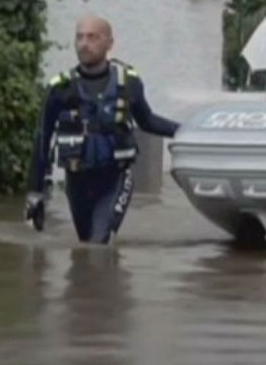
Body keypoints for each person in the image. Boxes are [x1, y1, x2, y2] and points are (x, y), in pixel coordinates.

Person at [25, 15, 180, 244]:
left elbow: (147, 121)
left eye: (92, 37)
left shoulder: (128, 83)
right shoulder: (60, 88)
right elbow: (42, 138)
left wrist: (188, 132)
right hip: (77, 178)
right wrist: (34, 194)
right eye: (79, 37)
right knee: (86, 244)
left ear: (109, 43)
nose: (84, 43)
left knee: (99, 241)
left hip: (116, 176)